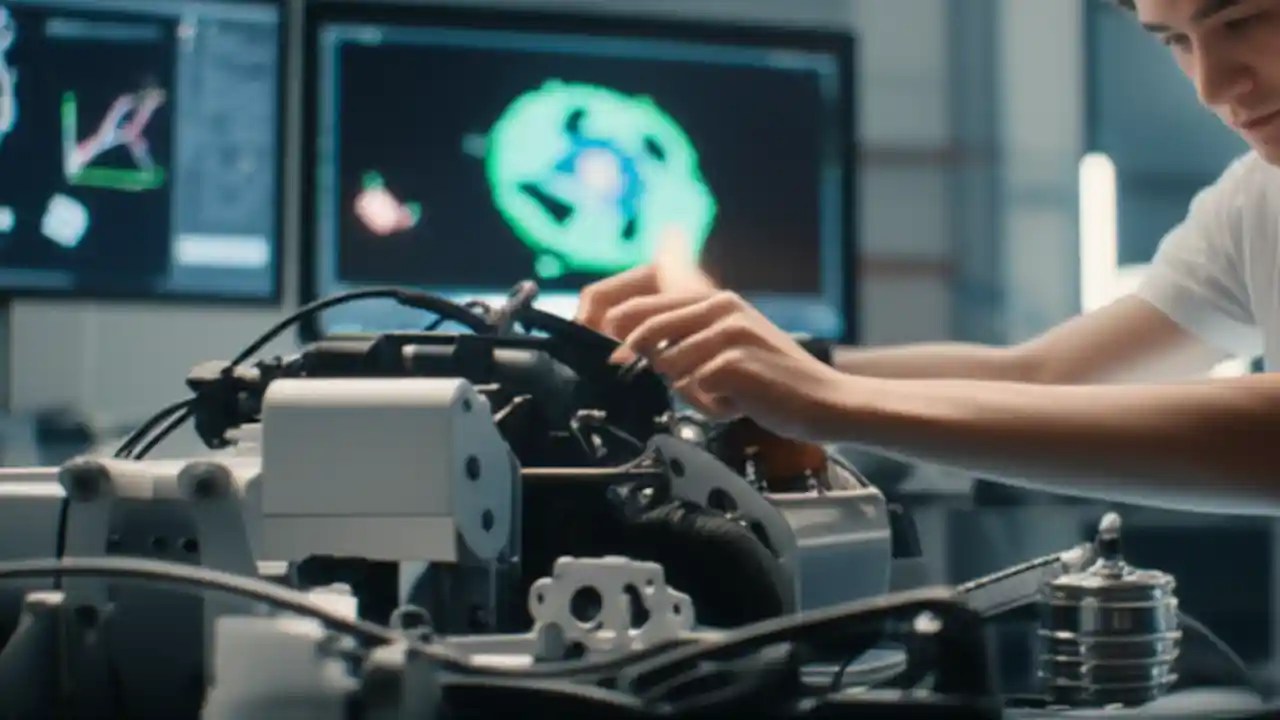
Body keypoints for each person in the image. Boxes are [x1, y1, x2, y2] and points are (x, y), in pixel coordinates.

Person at [574, 0, 1280, 516]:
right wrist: (749, 358)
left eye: (1244, 19)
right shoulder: (1256, 200)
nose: (1212, 87)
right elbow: (1047, 376)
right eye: (1176, 42)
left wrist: (834, 402)